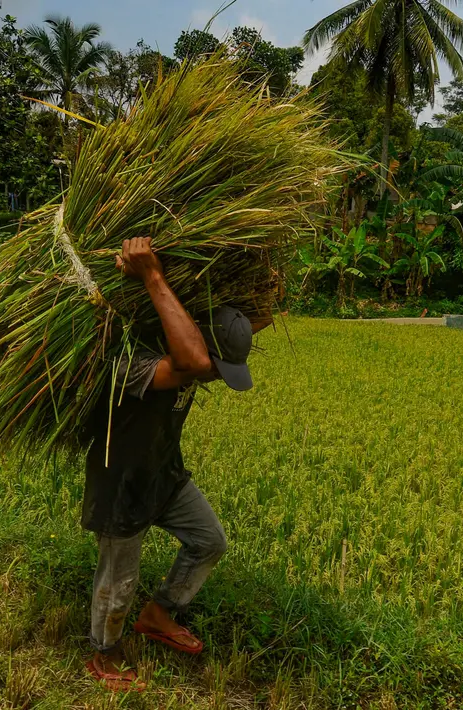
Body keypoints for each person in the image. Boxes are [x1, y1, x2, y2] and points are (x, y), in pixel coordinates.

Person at [84, 236, 268, 691]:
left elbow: (242, 328)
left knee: (210, 542)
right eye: (217, 366)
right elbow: (194, 359)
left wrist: (263, 287)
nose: (214, 375)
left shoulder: (194, 351)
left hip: (165, 474)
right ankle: (105, 653)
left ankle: (158, 613)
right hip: (122, 484)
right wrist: (152, 274)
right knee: (119, 583)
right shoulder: (131, 361)